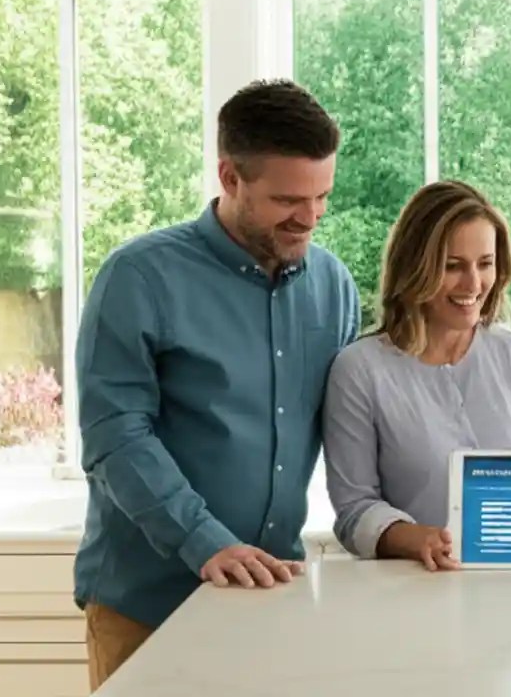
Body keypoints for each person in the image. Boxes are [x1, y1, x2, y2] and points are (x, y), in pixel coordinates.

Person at [73, 79, 360, 690]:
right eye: (288, 199)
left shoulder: (333, 285)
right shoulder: (139, 276)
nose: (309, 218)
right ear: (230, 178)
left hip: (271, 599)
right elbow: (113, 434)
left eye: (322, 197)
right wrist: (205, 542)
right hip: (148, 604)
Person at [321, 180, 511, 571]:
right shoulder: (360, 369)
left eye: (485, 263)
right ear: (415, 267)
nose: (474, 284)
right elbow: (354, 510)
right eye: (452, 266)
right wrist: (417, 539)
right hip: (412, 590)